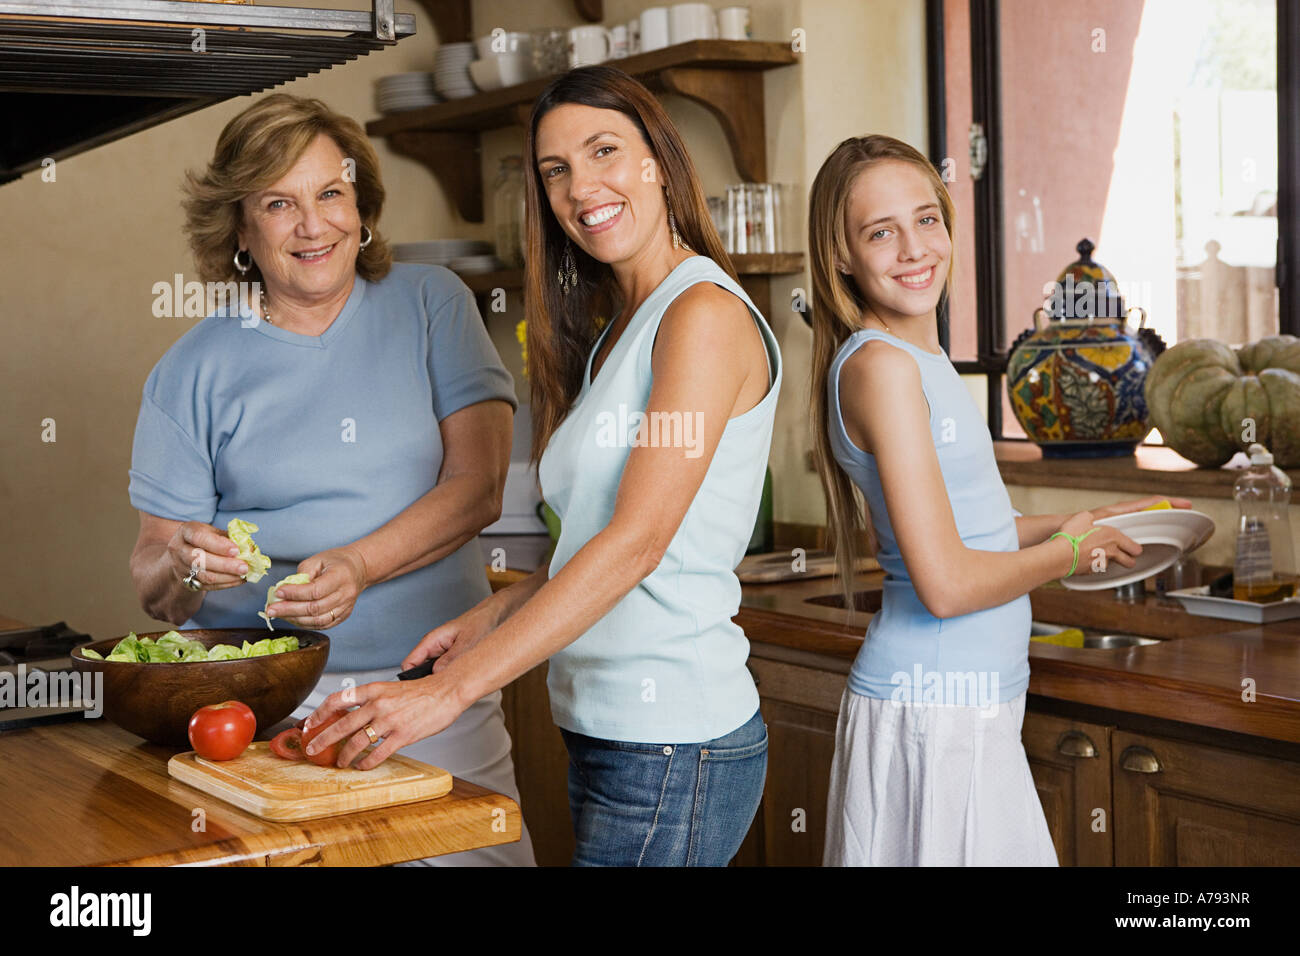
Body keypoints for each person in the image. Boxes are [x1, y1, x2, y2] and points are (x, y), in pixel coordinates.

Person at [301, 65, 782, 867]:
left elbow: (637, 546)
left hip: (675, 740)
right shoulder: (622, 329)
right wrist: (490, 618)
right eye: (555, 170)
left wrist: (447, 695)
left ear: (657, 161)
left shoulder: (701, 313)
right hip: (613, 734)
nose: (580, 186)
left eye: (604, 151)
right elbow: (589, 541)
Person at [126, 93, 535, 866]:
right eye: (279, 203)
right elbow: (153, 578)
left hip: (433, 687)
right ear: (240, 227)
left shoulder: (431, 304)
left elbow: (478, 487)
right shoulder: (191, 369)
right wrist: (185, 559)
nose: (313, 225)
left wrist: (359, 565)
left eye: (330, 193)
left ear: (362, 206)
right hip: (263, 701)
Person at [806, 134, 1190, 866]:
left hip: (963, 706)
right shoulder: (883, 370)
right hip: (935, 711)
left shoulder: (916, 361)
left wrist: (1088, 523)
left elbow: (976, 529)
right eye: (880, 232)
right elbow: (946, 586)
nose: (914, 248)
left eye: (927, 219)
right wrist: (1066, 554)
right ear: (842, 259)